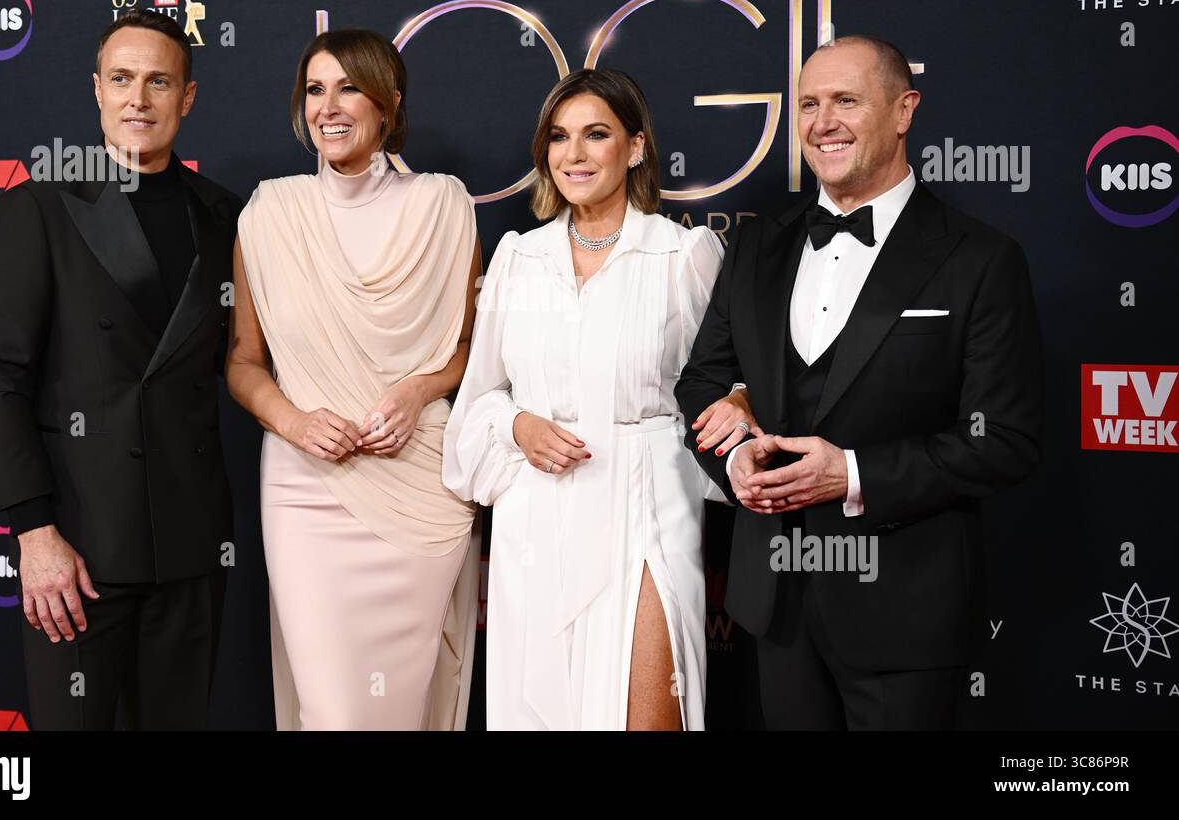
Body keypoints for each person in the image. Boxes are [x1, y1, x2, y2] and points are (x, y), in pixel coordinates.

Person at [676, 35, 1042, 729]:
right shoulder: (758, 244)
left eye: (847, 100)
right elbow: (702, 381)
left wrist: (849, 474)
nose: (823, 122)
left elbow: (1007, 442)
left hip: (905, 613)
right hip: (774, 601)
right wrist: (731, 456)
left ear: (904, 111)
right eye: (809, 104)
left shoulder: (981, 259)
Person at [443, 68, 755, 730]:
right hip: (537, 515)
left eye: (596, 134)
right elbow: (478, 401)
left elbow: (733, 380)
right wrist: (518, 424)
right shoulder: (518, 260)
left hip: (646, 506)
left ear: (635, 147)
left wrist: (741, 403)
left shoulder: (683, 254)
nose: (574, 155)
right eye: (558, 137)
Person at [0, 9, 240, 729]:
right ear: (96, 90)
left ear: (187, 97)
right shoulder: (41, 206)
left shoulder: (224, 218)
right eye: (121, 79)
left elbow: (250, 359)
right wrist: (34, 533)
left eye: (158, 82)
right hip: (77, 553)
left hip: (189, 547)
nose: (137, 100)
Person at [227, 28, 481, 730]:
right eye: (314, 89)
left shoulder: (442, 204)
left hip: (419, 483)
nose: (328, 107)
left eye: (349, 87)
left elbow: (467, 346)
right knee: (336, 711)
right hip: (306, 490)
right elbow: (244, 362)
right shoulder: (269, 213)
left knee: (401, 705)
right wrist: (295, 421)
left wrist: (419, 390)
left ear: (388, 104)